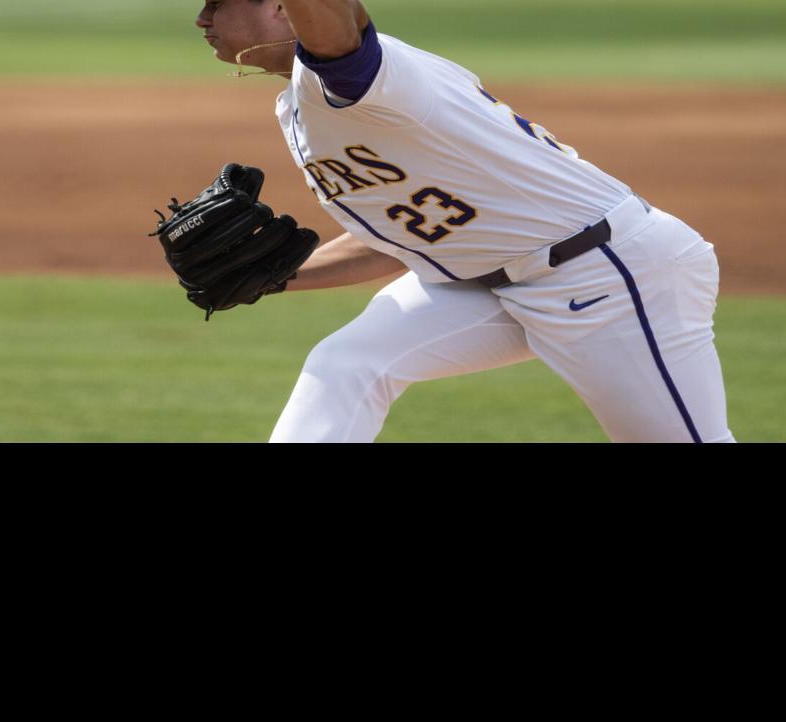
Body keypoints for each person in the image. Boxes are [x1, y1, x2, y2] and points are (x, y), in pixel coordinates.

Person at [192, 0, 736, 443]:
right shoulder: (304, 101)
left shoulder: (357, 78)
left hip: (607, 274)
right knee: (348, 363)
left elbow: (341, 27)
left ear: (285, 9)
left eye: (217, 4)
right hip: (488, 279)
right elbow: (409, 240)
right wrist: (274, 275)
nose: (202, 19)